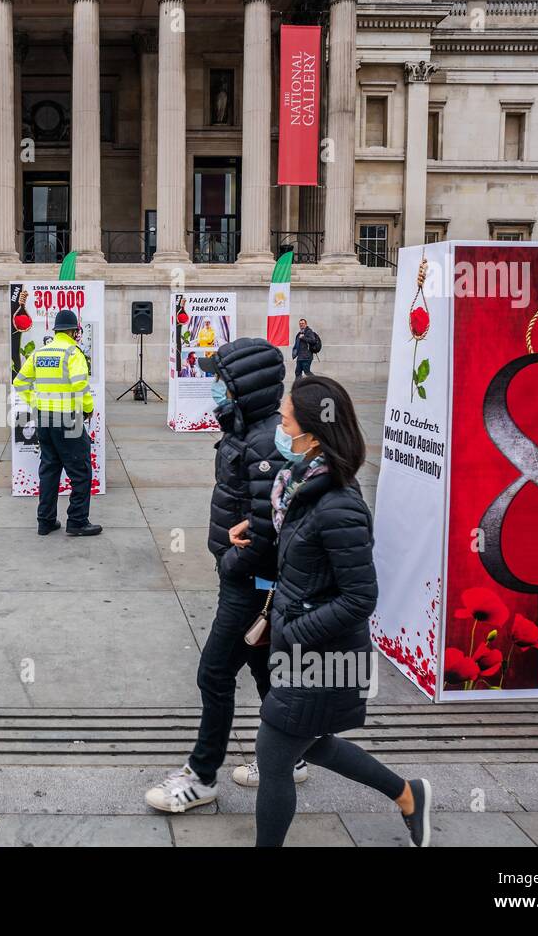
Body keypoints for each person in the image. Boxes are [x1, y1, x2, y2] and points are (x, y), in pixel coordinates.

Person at [241, 375, 432, 846]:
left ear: (311, 432)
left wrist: (295, 629)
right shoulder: (300, 488)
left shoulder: (338, 505)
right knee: (312, 743)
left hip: (319, 655)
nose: (279, 428)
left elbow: (361, 597)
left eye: (285, 420)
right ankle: (407, 795)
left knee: (274, 757)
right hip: (302, 649)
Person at [145, 338, 311, 812]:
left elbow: (267, 528)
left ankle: (201, 776)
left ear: (243, 387)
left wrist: (229, 561)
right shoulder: (248, 432)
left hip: (251, 585)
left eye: (221, 379)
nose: (214, 387)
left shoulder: (265, 444)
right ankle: (292, 757)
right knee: (262, 669)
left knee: (215, 674)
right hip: (251, 583)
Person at [12, 308, 101, 537]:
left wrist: (36, 403)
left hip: (44, 418)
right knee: (80, 471)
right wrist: (89, 409)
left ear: (56, 330)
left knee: (49, 469)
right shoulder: (73, 353)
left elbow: (20, 382)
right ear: (73, 331)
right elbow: (81, 386)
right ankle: (77, 522)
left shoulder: (40, 353)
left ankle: (46, 521)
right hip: (68, 420)